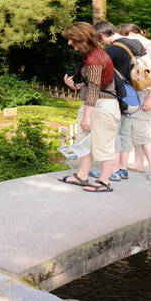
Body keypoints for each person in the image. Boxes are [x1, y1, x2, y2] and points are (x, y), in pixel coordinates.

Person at [58, 22, 121, 192]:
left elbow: (94, 89)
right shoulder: (92, 55)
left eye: (72, 39)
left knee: (104, 146)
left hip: (101, 107)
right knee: (84, 144)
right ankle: (82, 177)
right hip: (95, 105)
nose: (70, 43)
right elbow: (95, 84)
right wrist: (75, 87)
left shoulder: (95, 58)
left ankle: (104, 181)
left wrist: (87, 116)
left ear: (81, 39)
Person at [93, 21, 146, 181]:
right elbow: (149, 66)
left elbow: (100, 72)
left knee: (113, 133)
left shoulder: (112, 50)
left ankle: (112, 170)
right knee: (125, 133)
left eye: (99, 39)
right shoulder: (136, 43)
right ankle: (122, 168)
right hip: (132, 94)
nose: (101, 43)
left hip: (117, 95)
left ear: (103, 35)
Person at [118, 23, 151, 181]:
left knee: (142, 131)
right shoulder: (139, 49)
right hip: (139, 94)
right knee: (136, 129)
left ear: (132, 34)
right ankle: (139, 163)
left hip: (149, 95)